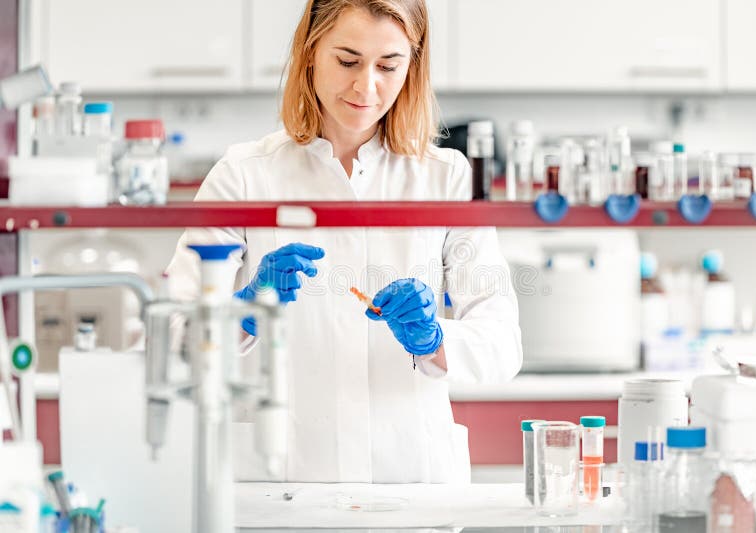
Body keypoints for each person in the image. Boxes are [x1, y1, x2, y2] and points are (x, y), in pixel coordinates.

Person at [165, 0, 522, 484]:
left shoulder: (446, 176)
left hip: (411, 482)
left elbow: (502, 344)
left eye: (389, 66)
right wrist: (242, 314)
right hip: (284, 482)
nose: (366, 86)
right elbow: (171, 340)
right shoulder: (244, 175)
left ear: (412, 67)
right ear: (310, 53)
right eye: (348, 61)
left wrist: (435, 338)